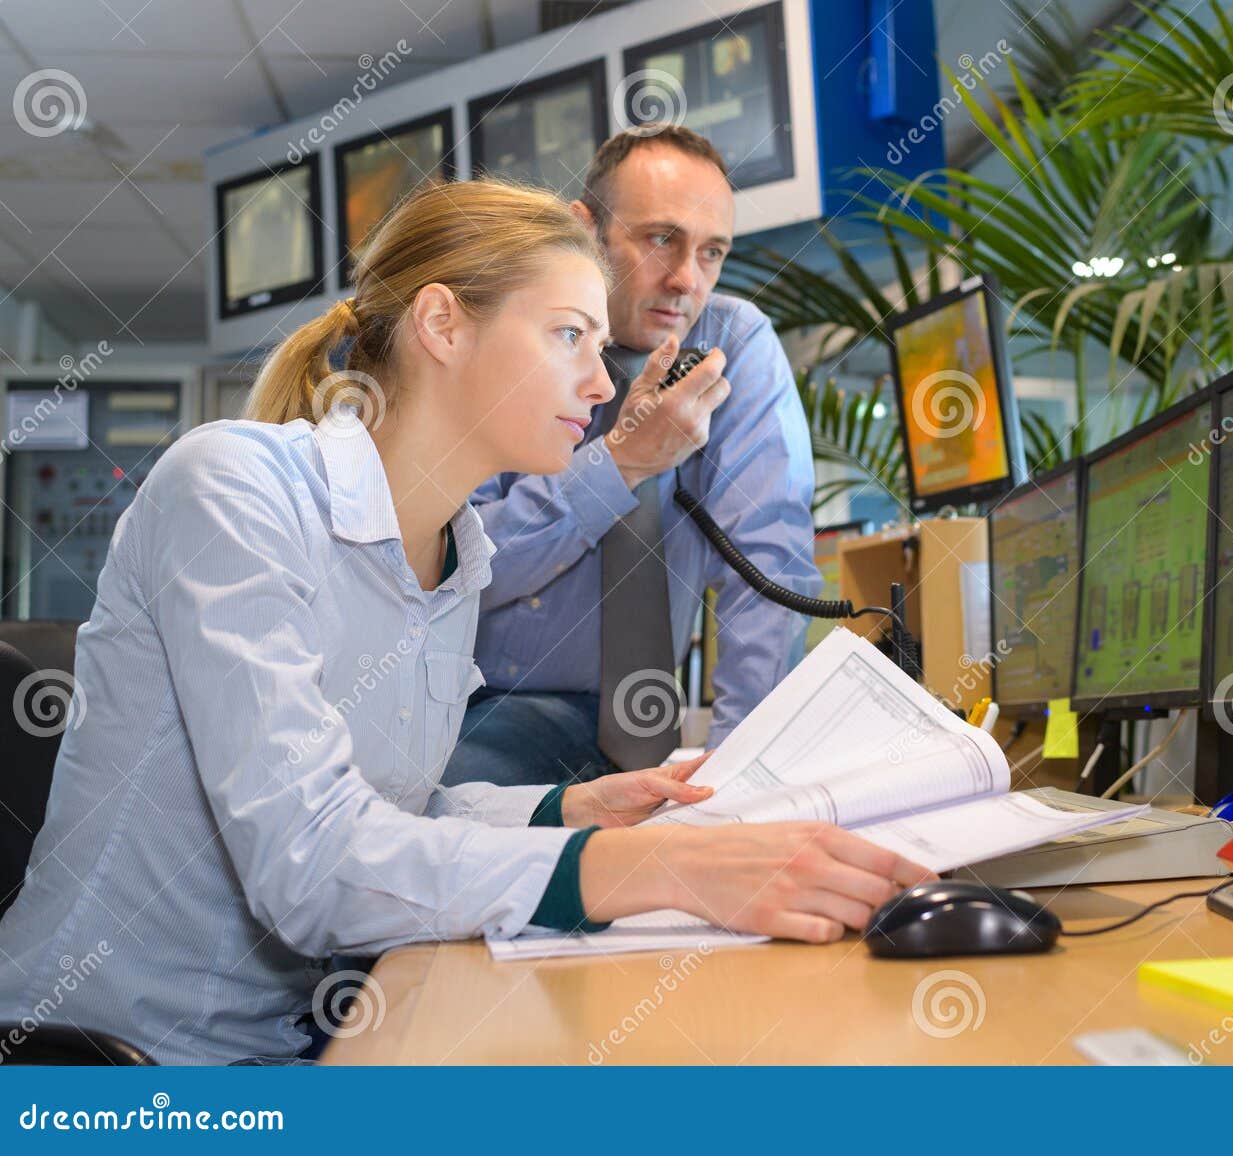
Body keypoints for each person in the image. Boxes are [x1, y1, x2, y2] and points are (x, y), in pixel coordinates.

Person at [0, 181, 930, 1066]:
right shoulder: (235, 491)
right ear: (443, 323)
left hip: (281, 1046)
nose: (602, 386)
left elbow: (388, 810)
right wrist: (664, 868)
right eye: (568, 336)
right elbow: (313, 863)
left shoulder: (460, 553)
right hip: (110, 1066)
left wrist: (564, 810)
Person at [443, 125, 819, 787]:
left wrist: (738, 776)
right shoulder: (508, 336)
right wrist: (618, 465)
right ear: (584, 229)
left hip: (638, 721)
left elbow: (768, 564)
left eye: (712, 253)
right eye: (660, 239)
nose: (685, 280)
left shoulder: (732, 342)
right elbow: (462, 568)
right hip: (478, 702)